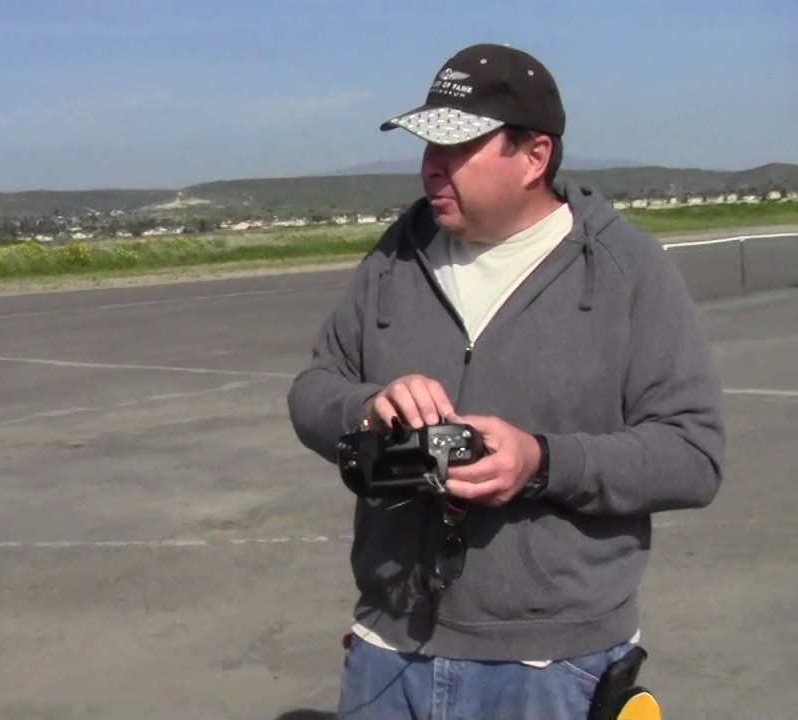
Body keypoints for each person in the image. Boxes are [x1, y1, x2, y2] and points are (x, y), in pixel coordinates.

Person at [287, 43, 725, 719]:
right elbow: (313, 391)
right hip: (388, 651)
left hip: (551, 669)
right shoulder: (393, 259)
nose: (432, 165)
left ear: (535, 156)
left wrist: (544, 461)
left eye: (457, 146)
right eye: (426, 143)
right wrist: (368, 407)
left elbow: (693, 456)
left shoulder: (628, 271)